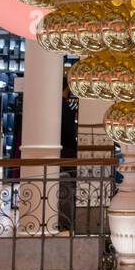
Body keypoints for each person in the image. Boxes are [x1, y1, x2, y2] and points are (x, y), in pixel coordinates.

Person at [57, 78, 78, 233]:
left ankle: (61, 219)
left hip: (61, 151)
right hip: (68, 151)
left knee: (62, 185)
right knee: (68, 185)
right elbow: (69, 132)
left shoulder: (53, 107)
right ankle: (65, 220)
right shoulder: (65, 108)